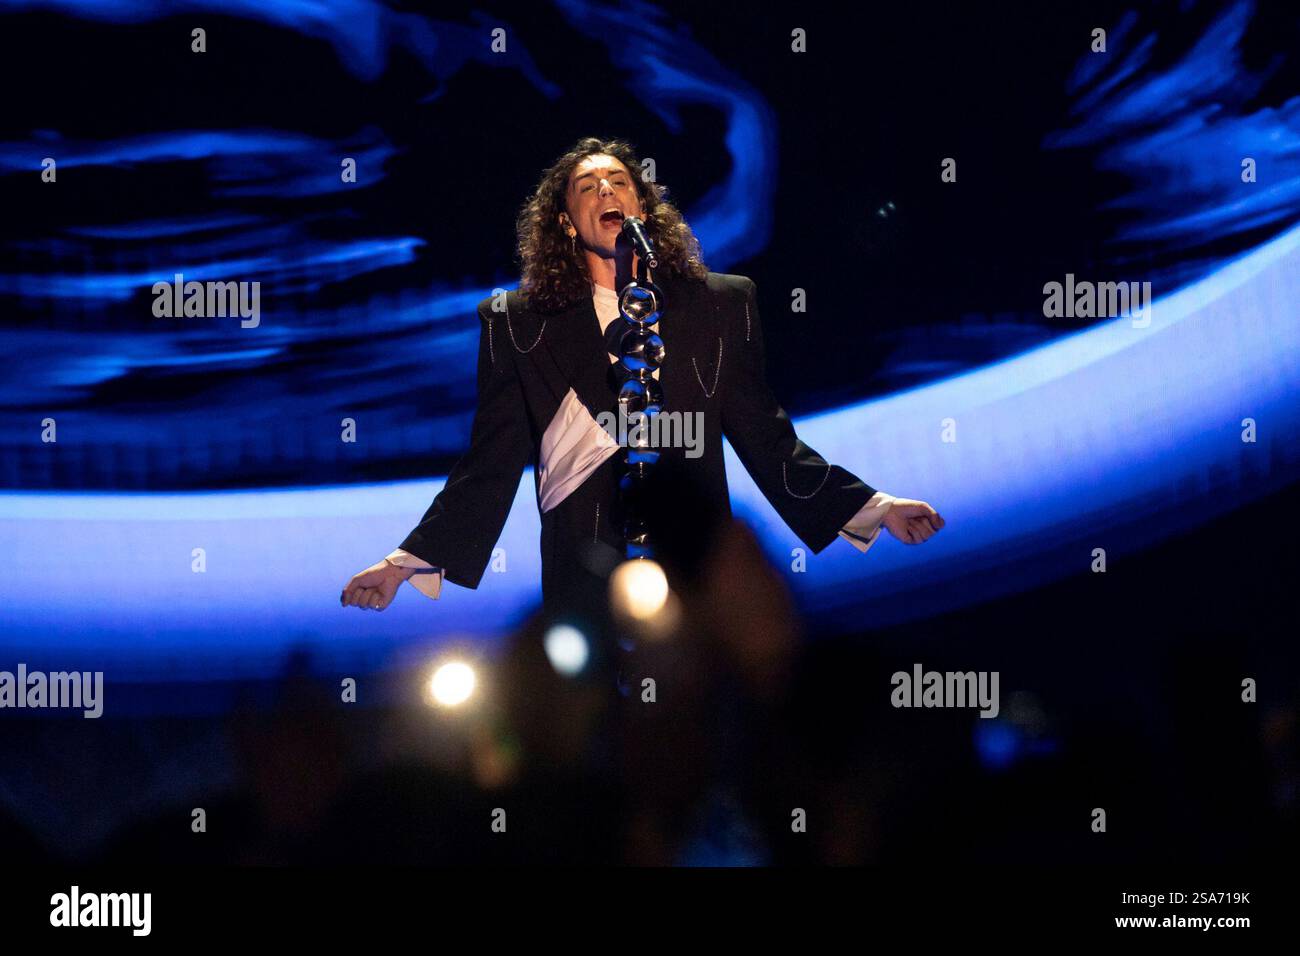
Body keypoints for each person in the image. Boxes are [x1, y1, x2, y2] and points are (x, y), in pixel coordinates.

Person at [341, 137, 943, 613]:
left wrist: (873, 506)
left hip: (698, 560)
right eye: (587, 186)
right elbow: (491, 462)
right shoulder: (518, 323)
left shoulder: (720, 306)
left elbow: (766, 435)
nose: (606, 189)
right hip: (585, 564)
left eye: (619, 181)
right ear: (566, 224)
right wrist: (405, 562)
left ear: (642, 209)